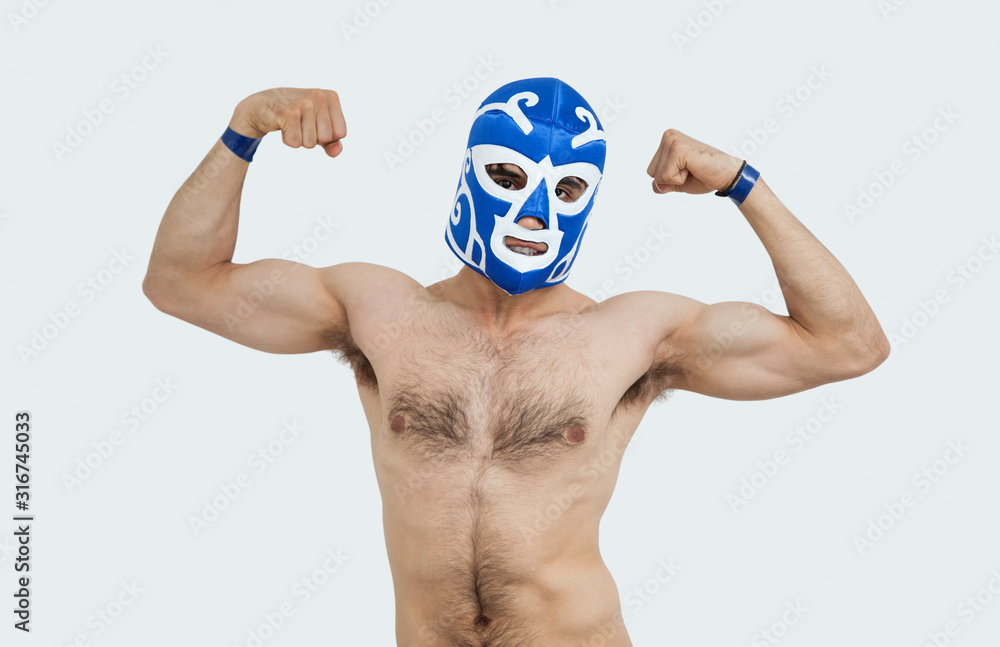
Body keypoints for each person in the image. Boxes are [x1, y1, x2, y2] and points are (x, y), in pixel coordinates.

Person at [143, 78, 889, 646]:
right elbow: (180, 282)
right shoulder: (379, 310)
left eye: (566, 189)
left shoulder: (633, 332)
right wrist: (247, 126)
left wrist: (742, 183)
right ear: (470, 172)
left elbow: (849, 343)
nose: (536, 211)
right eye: (511, 177)